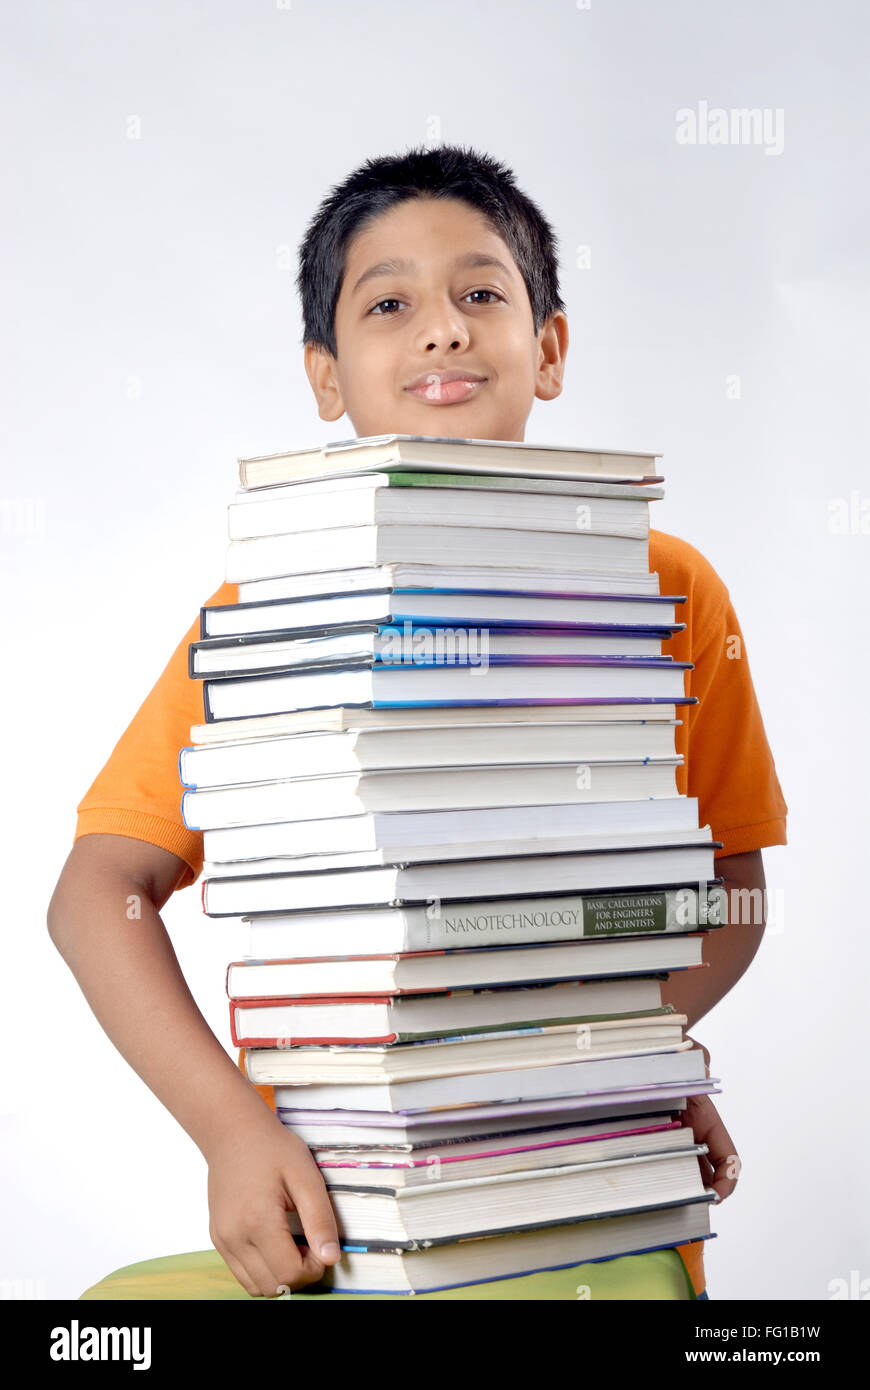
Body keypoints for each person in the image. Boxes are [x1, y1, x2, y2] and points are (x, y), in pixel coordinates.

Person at [47, 144, 787, 1301]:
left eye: (481, 292)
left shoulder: (667, 586)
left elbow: (731, 885)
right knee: (109, 1319)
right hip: (340, 1220)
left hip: (573, 1211)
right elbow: (98, 891)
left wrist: (613, 1051)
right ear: (326, 375)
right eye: (388, 303)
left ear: (548, 350)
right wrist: (231, 1135)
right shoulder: (268, 607)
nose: (441, 329)